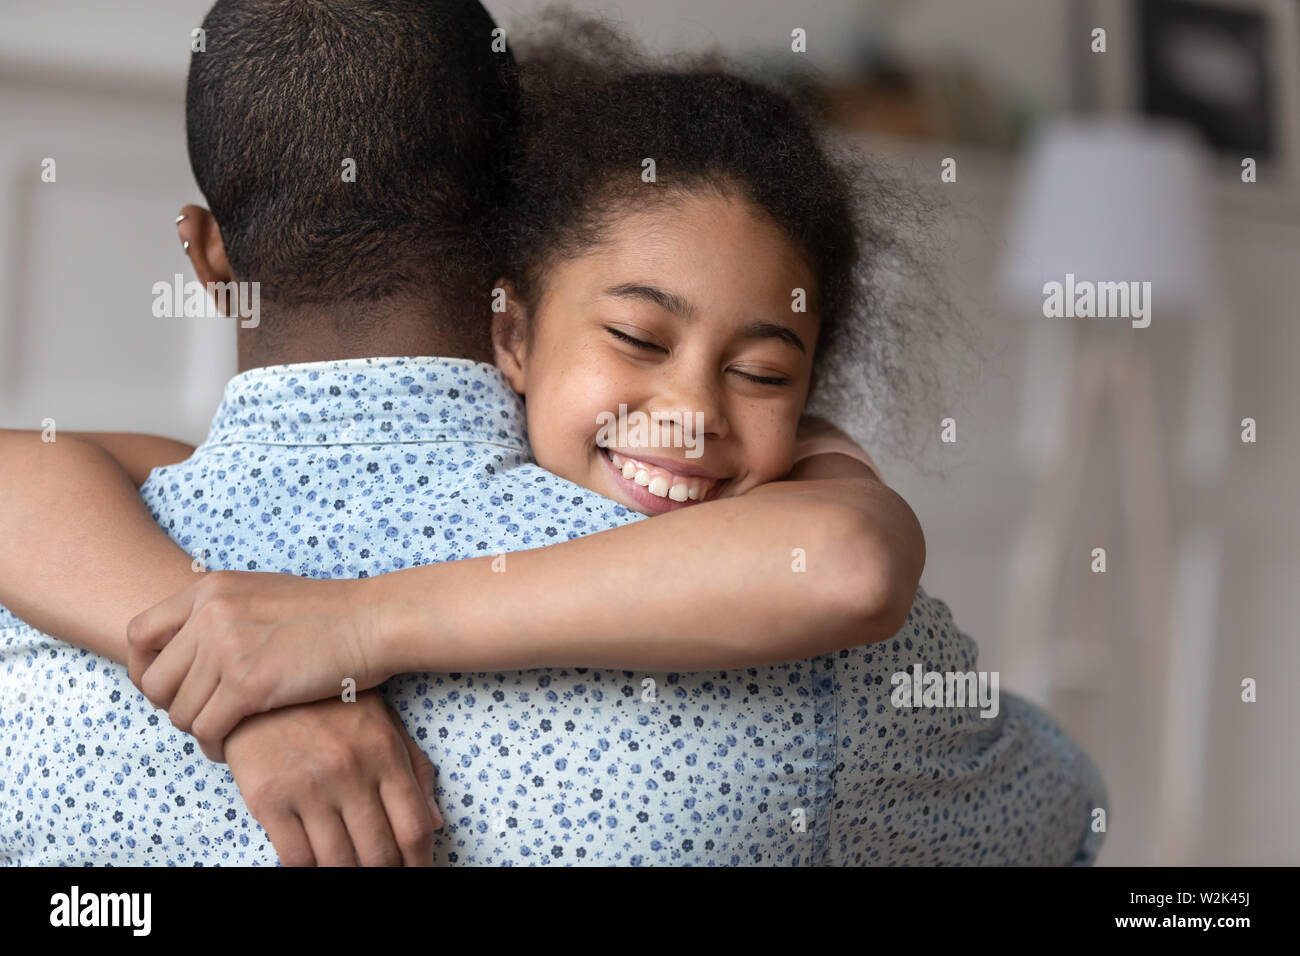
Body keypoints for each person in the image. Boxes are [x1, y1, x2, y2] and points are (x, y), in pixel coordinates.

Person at [0, 2, 1106, 866]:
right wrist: (832, 467)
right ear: (519, 257)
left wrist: (295, 652)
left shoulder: (58, 581)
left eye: (761, 370)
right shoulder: (807, 645)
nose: (693, 410)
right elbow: (1066, 810)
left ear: (204, 256)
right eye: (639, 333)